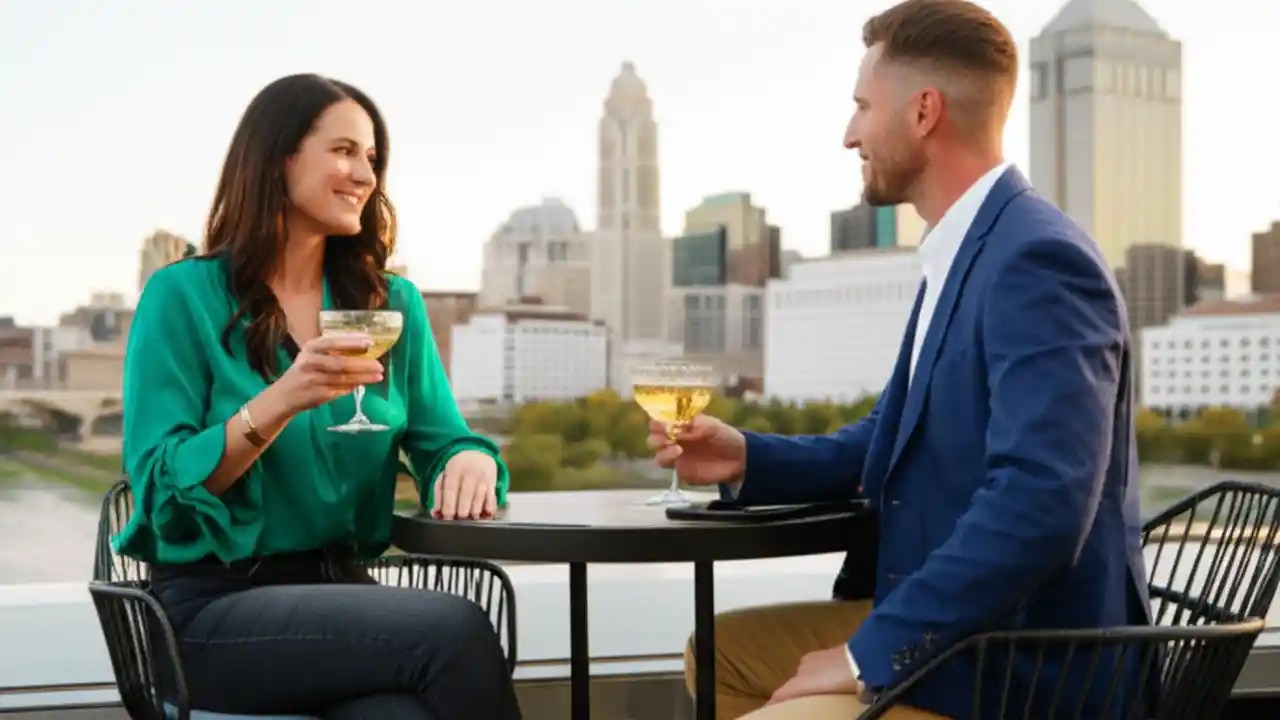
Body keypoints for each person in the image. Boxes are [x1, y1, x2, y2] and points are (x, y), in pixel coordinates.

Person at [650, 1, 1150, 718]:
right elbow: (891, 436)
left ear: (923, 112)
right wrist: (745, 458)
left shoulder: (1035, 260)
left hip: (1019, 667)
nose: (848, 133)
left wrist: (864, 653)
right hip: (964, 636)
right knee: (718, 653)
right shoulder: (963, 252)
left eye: (861, 106)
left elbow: (1042, 501)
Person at [112, 73, 522, 720]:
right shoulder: (182, 296)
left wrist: (470, 461)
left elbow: (446, 440)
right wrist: (281, 400)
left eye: (372, 158)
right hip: (213, 614)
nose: (364, 174)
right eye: (343, 151)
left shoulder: (390, 307)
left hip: (343, 603)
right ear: (278, 158)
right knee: (456, 629)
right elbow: (161, 491)